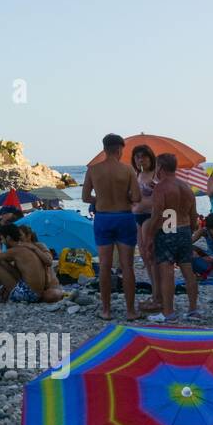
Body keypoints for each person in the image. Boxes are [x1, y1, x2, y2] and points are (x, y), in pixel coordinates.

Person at [82, 134, 141, 321]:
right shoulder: (128, 169)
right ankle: (131, 311)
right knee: (128, 266)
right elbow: (137, 197)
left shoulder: (92, 170)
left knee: (105, 267)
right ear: (119, 149)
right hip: (124, 217)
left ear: (104, 148)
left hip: (103, 219)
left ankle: (106, 310)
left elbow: (85, 198)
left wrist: (100, 199)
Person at [148, 154, 200, 322]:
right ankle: (193, 310)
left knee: (167, 272)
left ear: (160, 167)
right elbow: (194, 217)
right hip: (184, 229)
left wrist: (149, 236)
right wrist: (189, 231)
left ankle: (168, 312)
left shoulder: (161, 188)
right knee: (188, 272)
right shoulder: (186, 187)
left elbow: (157, 215)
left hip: (167, 230)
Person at [0, 225, 63, 303]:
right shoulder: (26, 248)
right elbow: (15, 271)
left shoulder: (16, 250)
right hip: (35, 293)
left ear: (8, 237)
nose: (1, 241)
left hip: (28, 294)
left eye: (2, 238)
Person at [129, 144, 162, 314]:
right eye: (137, 157)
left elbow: (164, 197)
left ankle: (158, 295)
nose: (141, 160)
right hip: (137, 216)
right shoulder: (137, 175)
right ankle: (154, 291)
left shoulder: (156, 174)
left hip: (151, 216)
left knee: (151, 255)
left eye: (144, 156)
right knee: (143, 255)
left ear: (150, 157)